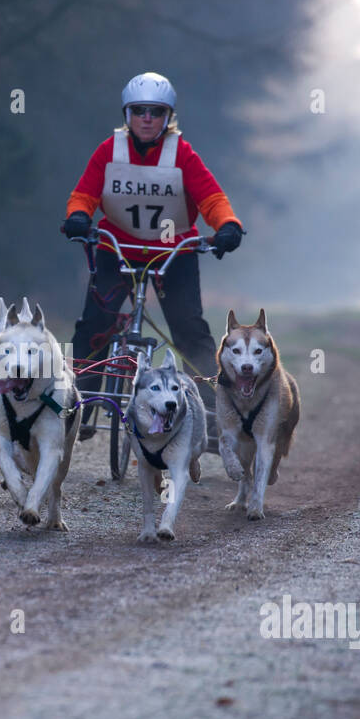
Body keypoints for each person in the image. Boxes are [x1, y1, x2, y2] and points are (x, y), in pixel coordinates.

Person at [63, 72, 243, 452]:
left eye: (156, 112)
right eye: (139, 111)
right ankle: (75, 407)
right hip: (117, 250)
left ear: (168, 117)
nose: (147, 118)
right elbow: (84, 194)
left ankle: (216, 420)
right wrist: (79, 215)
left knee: (190, 331)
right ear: (127, 114)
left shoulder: (183, 154)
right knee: (94, 325)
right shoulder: (108, 151)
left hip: (173, 254)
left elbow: (211, 199)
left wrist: (227, 225)